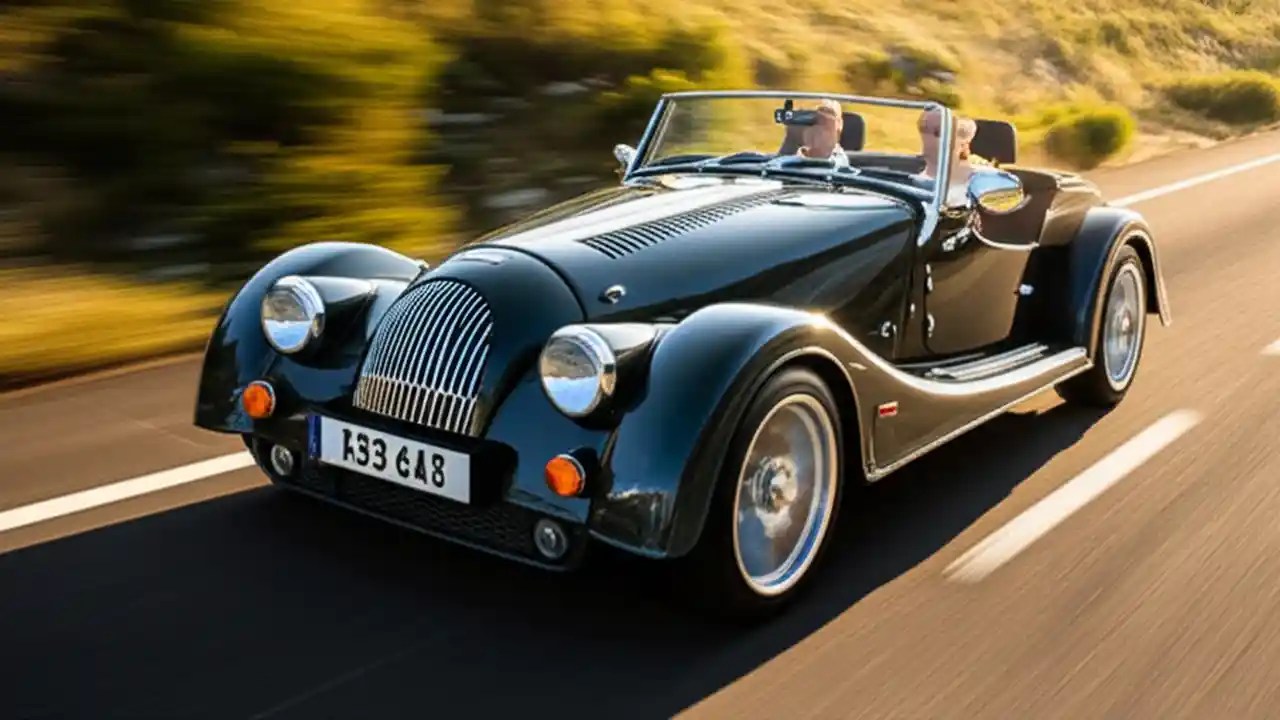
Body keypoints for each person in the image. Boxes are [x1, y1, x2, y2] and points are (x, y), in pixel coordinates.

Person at [916, 107, 990, 205]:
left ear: (964, 143)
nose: (927, 137)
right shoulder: (912, 179)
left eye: (938, 132)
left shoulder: (981, 178)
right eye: (923, 128)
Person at [796, 99, 849, 165]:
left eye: (829, 114)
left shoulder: (839, 159)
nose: (820, 125)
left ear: (839, 125)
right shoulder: (796, 153)